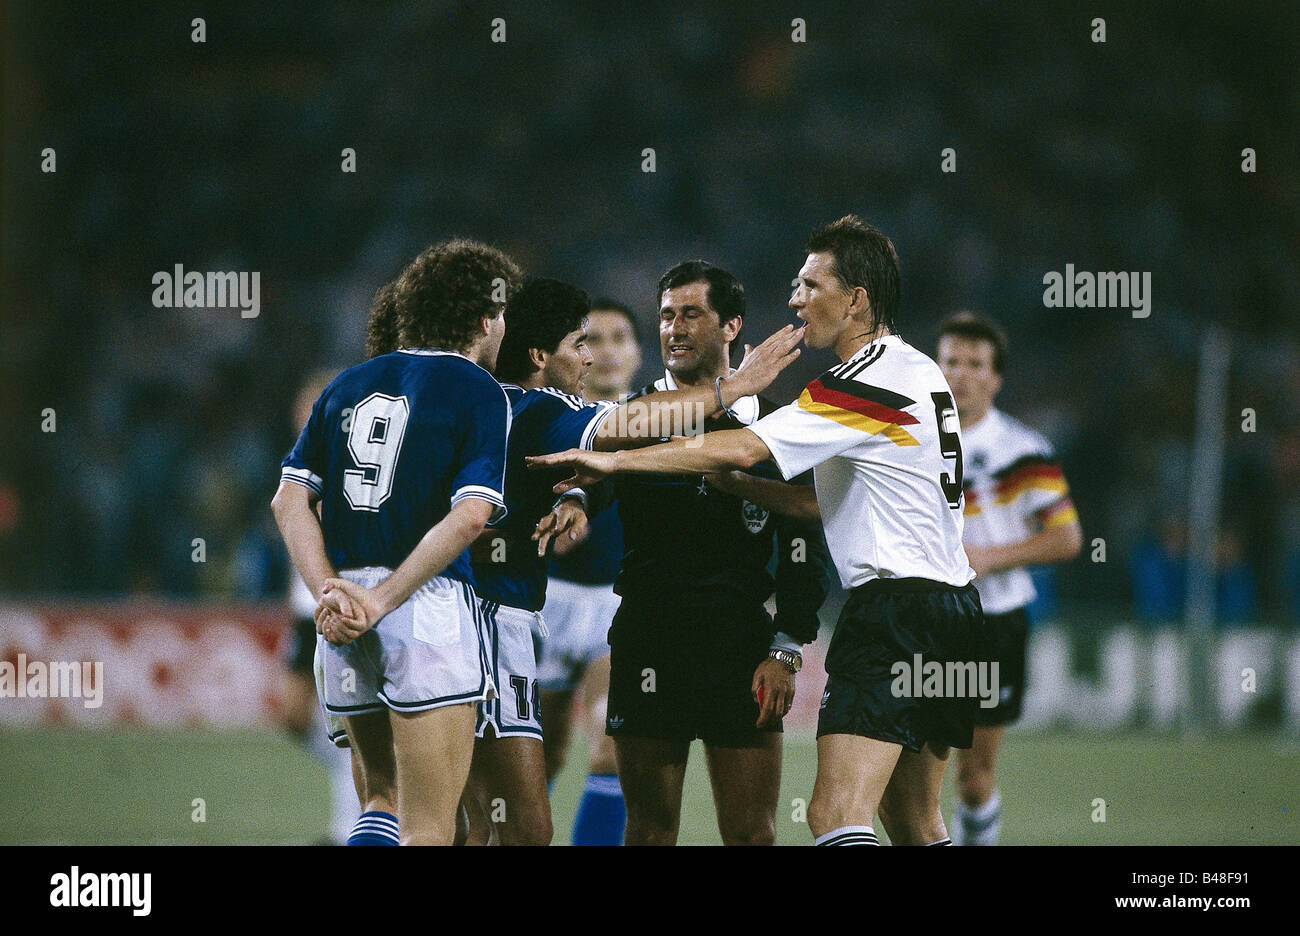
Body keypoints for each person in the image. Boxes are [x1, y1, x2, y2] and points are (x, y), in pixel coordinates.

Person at [529, 216, 980, 846]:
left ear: (856, 300)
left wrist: (612, 458)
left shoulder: (855, 387)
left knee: (833, 815)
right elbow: (827, 506)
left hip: (885, 617)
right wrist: (591, 487)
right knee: (914, 820)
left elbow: (740, 453)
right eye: (666, 315)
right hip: (947, 606)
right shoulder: (918, 371)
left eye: (809, 284)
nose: (794, 300)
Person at [536, 260, 831, 846]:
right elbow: (598, 479)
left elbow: (803, 547)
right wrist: (575, 503)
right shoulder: (635, 419)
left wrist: (789, 647)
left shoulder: (778, 429)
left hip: (740, 650)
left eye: (691, 314)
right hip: (650, 641)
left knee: (752, 834)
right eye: (667, 315)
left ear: (731, 327)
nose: (674, 327)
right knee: (647, 833)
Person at [273, 238, 521, 845]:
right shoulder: (478, 389)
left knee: (378, 802)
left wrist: (331, 592)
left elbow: (288, 501)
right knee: (431, 827)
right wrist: (382, 600)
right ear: (487, 318)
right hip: (423, 606)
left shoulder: (345, 385)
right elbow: (471, 517)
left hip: (344, 610)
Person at [936, 311, 1083, 845]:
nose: (961, 374)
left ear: (996, 378)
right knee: (908, 776)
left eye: (976, 363)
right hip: (918, 621)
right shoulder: (909, 440)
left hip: (991, 623)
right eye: (951, 360)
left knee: (972, 781)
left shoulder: (1023, 449)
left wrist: (988, 558)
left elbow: (1066, 539)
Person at [537, 298, 642, 846]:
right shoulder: (551, 419)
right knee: (542, 754)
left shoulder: (658, 420)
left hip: (621, 606)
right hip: (546, 602)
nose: (606, 350)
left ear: (637, 350)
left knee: (610, 745)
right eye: (591, 339)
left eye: (619, 336)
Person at [279, 368, 361, 845]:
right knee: (294, 715)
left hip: (344, 601)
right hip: (303, 604)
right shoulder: (300, 464)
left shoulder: (357, 467)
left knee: (351, 721)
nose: (308, 417)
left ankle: (347, 830)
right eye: (304, 408)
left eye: (320, 407)